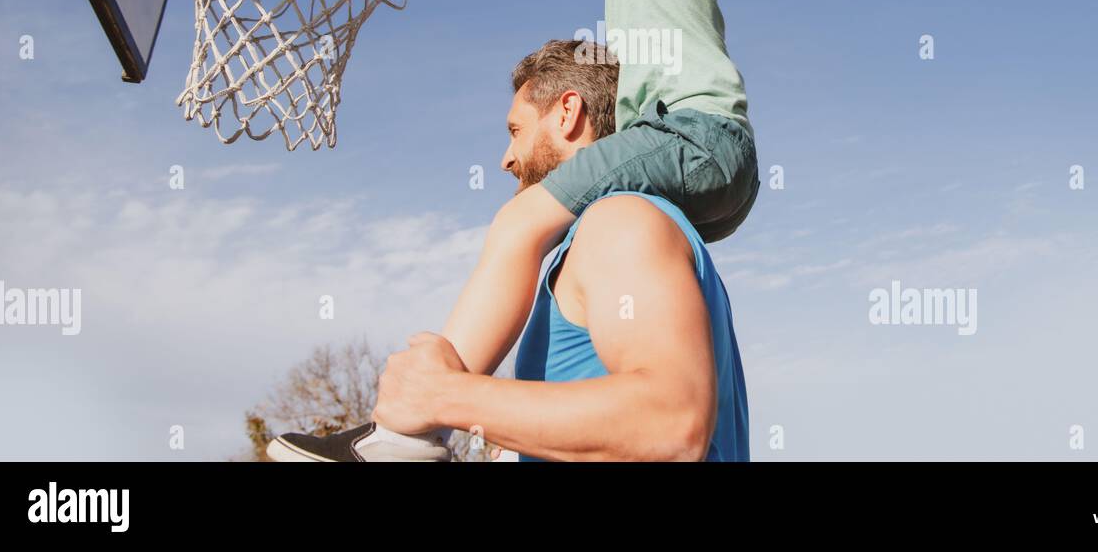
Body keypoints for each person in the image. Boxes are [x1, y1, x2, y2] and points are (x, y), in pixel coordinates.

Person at [268, 41, 749, 461]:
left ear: (567, 112)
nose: (506, 158)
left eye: (516, 131)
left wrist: (446, 396)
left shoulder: (621, 220)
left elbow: (671, 422)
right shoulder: (600, 242)